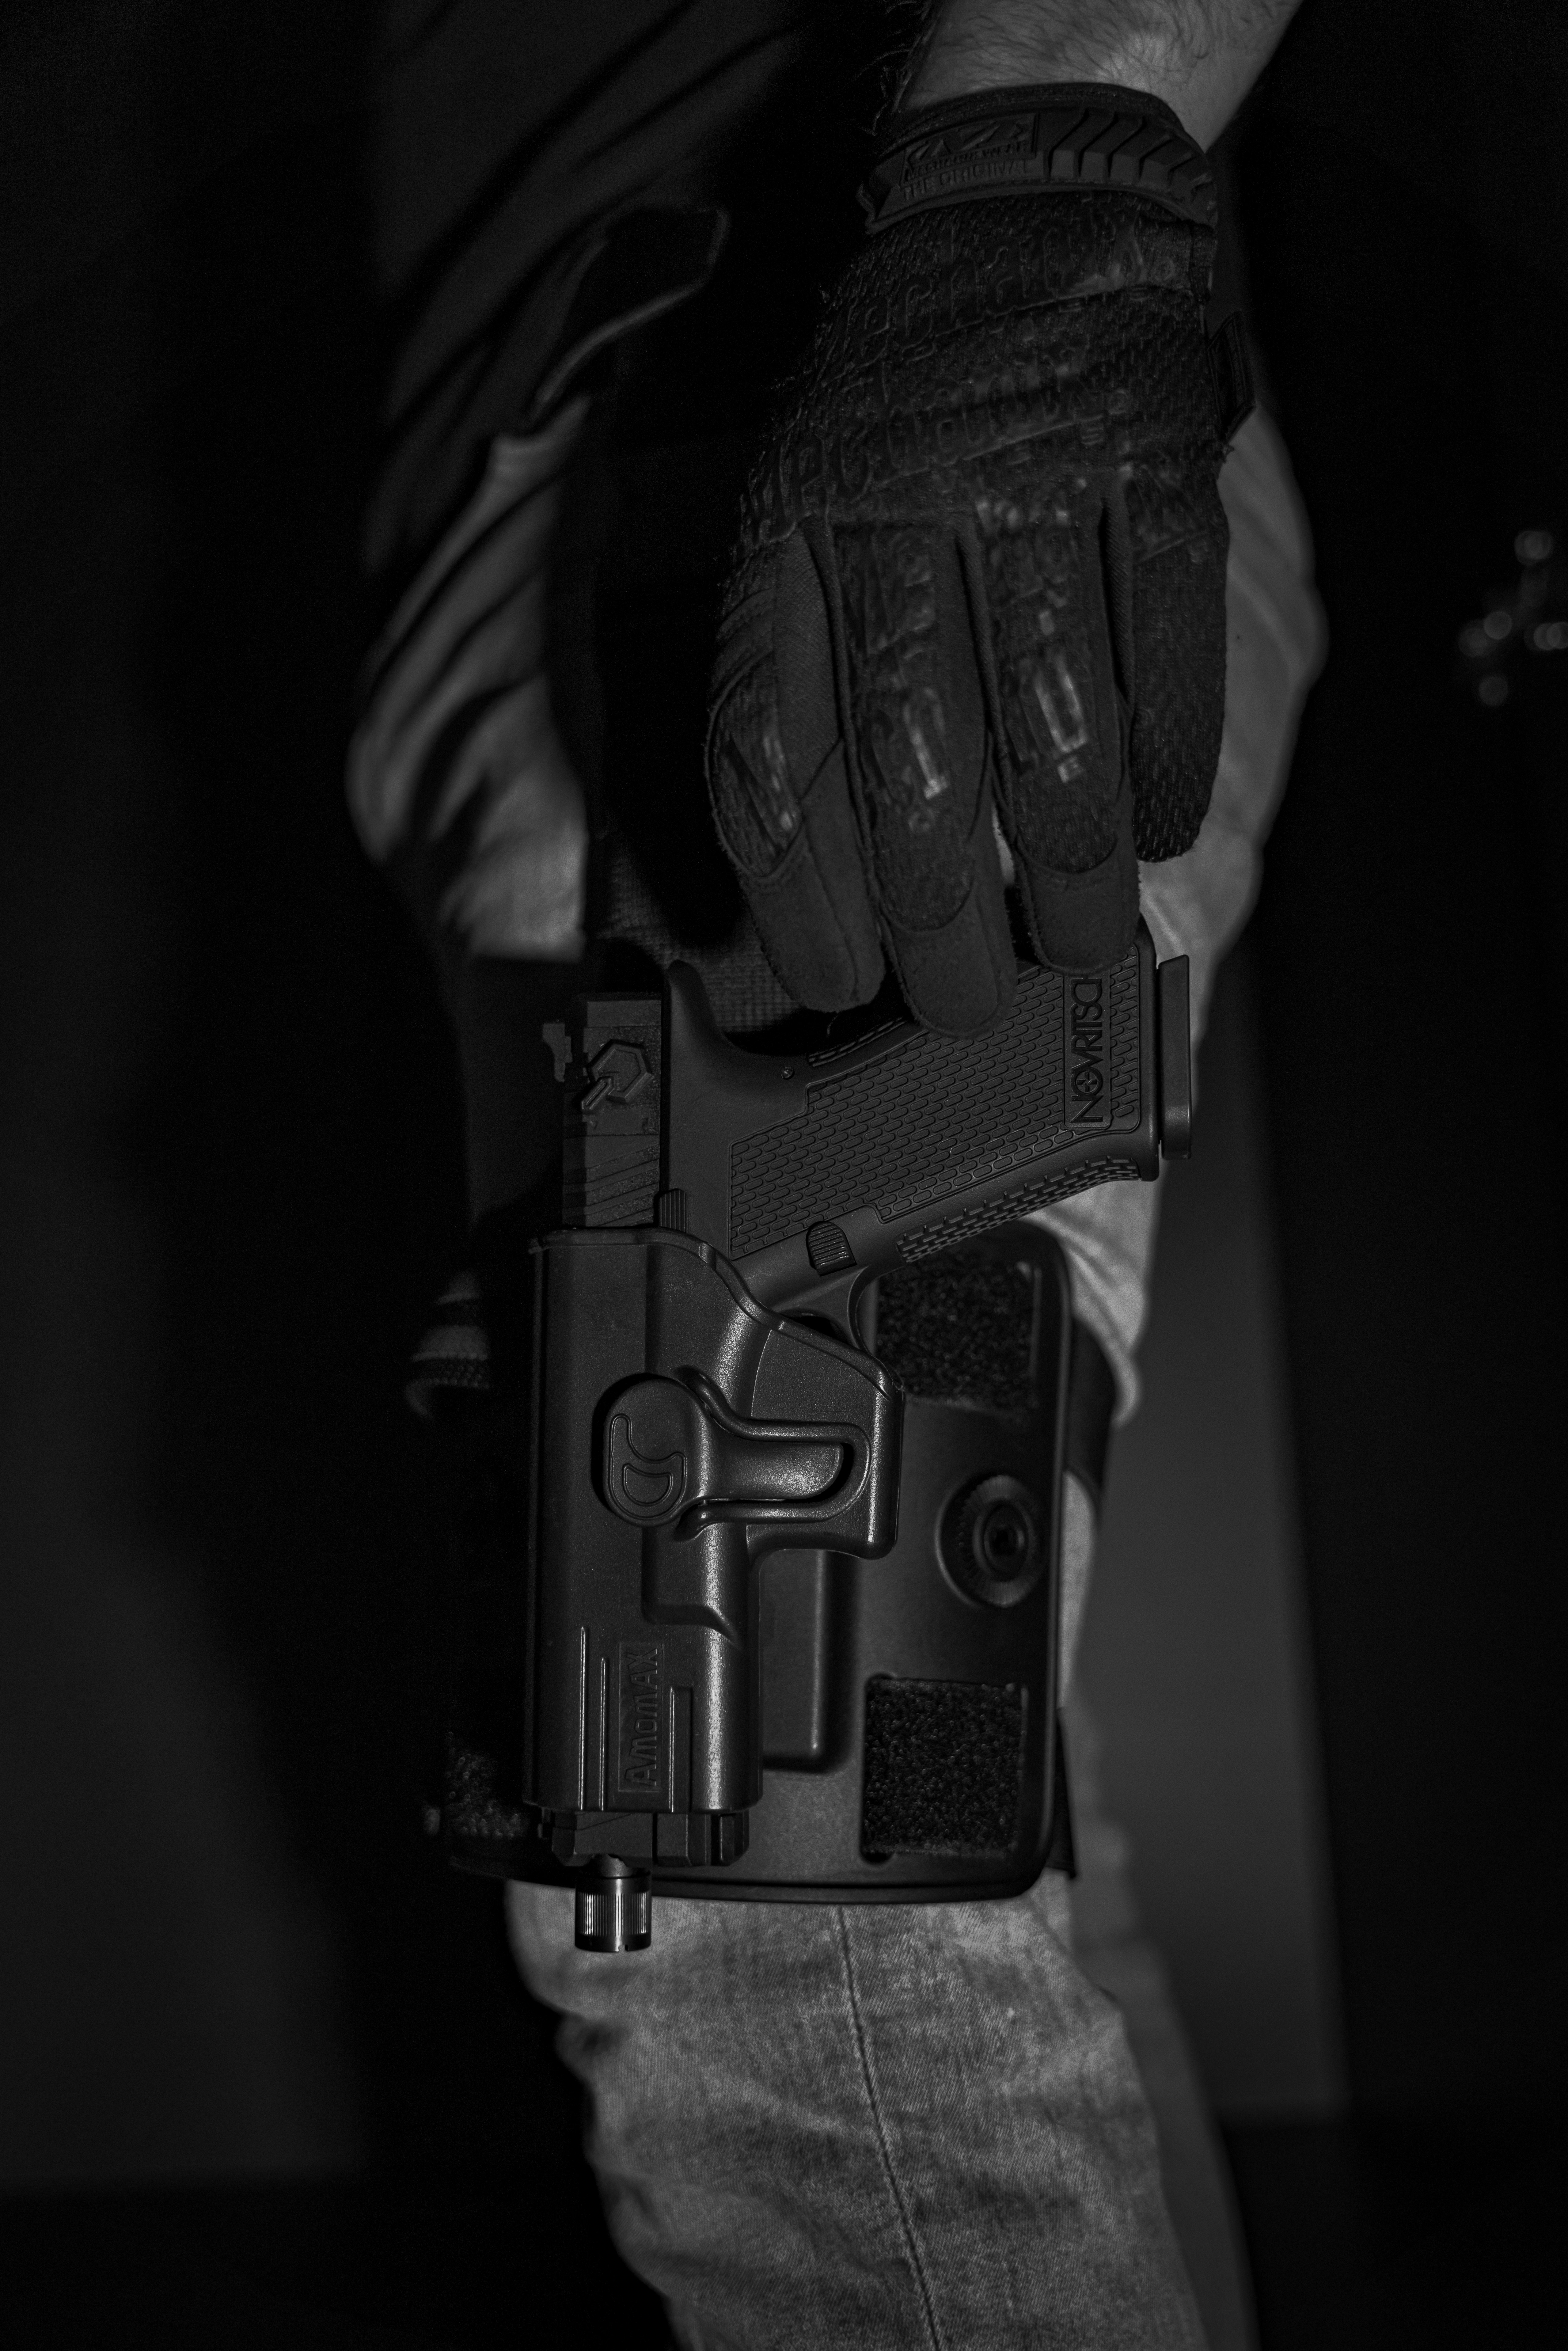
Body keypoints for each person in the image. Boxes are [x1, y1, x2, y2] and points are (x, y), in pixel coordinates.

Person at [350, 4, 1319, 2341]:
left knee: (795, 1888)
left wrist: (1038, 156)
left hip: (851, 418)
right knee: (937, 1812)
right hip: (598, 513)